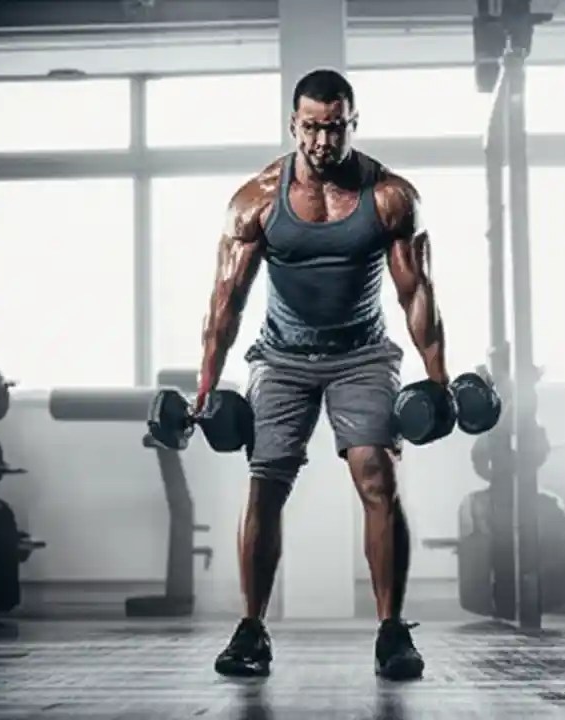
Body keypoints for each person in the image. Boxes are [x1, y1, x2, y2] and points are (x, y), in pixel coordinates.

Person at [195, 69, 445, 681]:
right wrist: (205, 388)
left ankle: (392, 632)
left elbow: (418, 296)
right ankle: (252, 629)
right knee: (267, 482)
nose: (323, 142)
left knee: (376, 475)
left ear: (352, 124)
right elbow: (225, 304)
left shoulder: (389, 197)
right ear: (293, 124)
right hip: (281, 359)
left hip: (362, 355)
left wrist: (439, 382)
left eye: (335, 128)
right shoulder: (255, 201)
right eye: (311, 127)